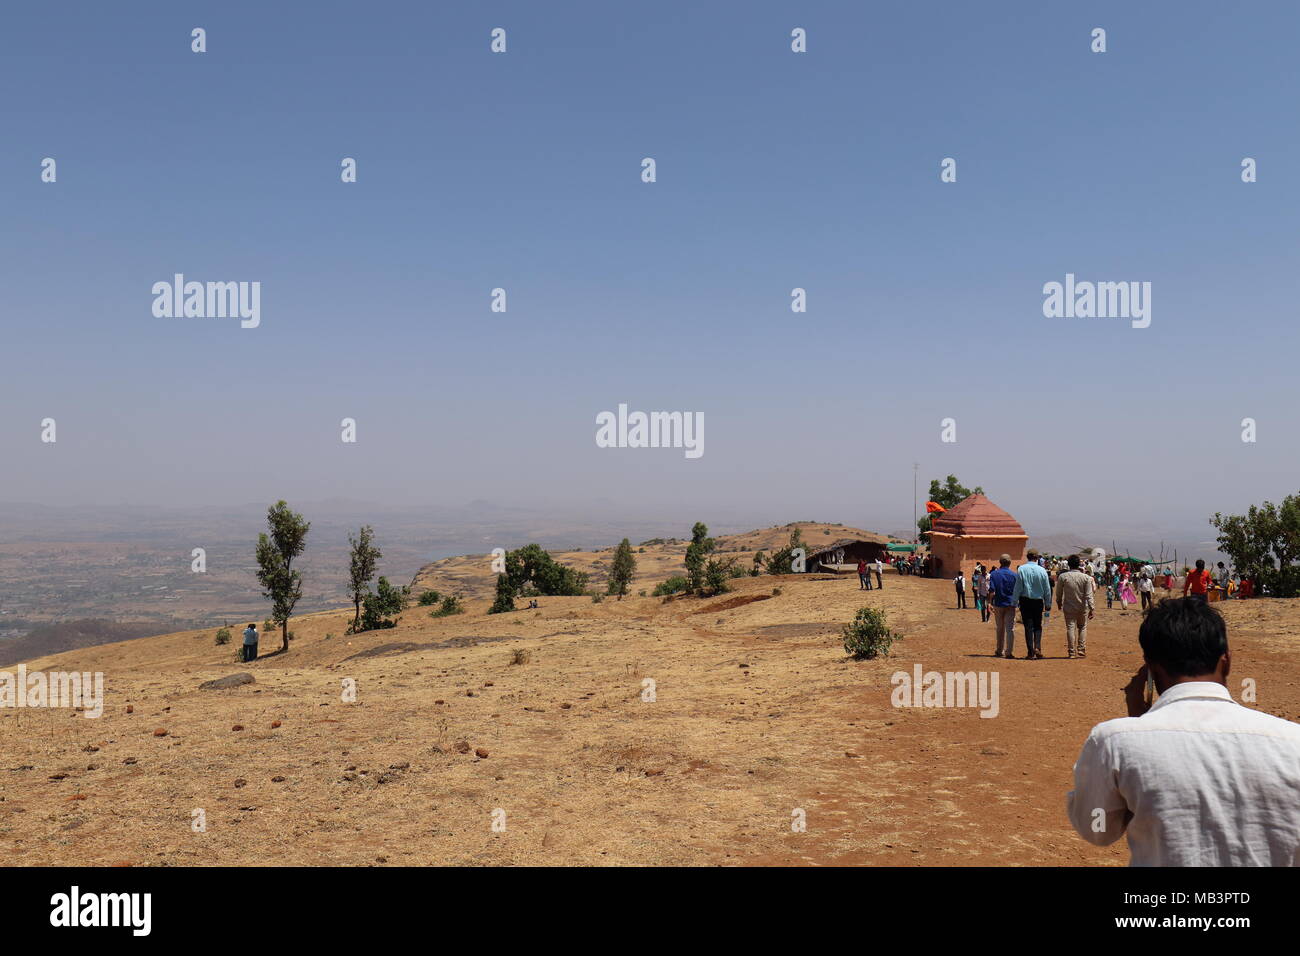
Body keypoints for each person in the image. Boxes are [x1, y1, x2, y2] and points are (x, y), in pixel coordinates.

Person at [1067, 598, 1300, 865]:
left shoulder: (1113, 741)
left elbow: (1097, 831)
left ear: (1150, 672)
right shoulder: (1292, 741)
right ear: (1227, 662)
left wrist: (1141, 734)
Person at [1012, 549, 1051, 659]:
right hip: (1038, 601)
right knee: (1037, 625)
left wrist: (1014, 602)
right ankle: (1037, 647)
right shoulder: (1042, 570)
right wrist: (1048, 603)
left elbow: (1018, 587)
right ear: (1037, 558)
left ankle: (1030, 652)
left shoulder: (1021, 569)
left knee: (1028, 626)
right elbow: (1047, 589)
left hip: (1025, 601)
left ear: (1027, 557)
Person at [1055, 555, 1095, 658]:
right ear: (1079, 564)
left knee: (1070, 627)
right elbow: (1089, 594)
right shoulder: (1086, 577)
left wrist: (1059, 602)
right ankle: (1081, 649)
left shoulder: (1063, 577)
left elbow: (1059, 592)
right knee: (1082, 627)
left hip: (1069, 607)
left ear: (1068, 564)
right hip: (1083, 607)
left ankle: (1071, 652)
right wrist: (1092, 608)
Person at [988, 554, 1018, 658]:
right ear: (1009, 563)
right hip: (1010, 605)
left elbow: (992, 590)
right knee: (1010, 629)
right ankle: (1009, 652)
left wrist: (989, 602)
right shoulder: (1014, 575)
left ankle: (999, 650)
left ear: (1000, 562)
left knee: (999, 628)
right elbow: (1017, 591)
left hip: (998, 604)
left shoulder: (994, 574)